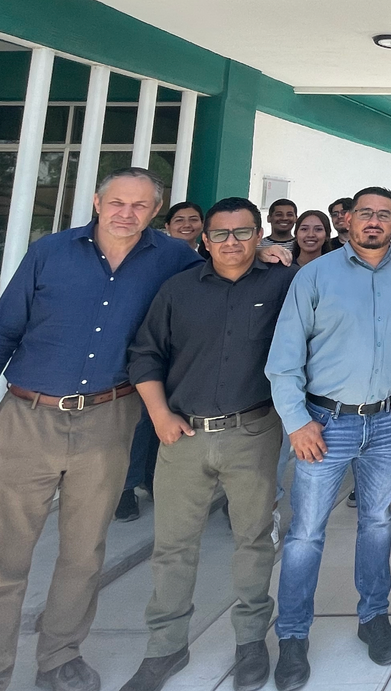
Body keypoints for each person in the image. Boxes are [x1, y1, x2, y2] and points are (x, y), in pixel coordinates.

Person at [0, 168, 202, 691]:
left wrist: (271, 258)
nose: (125, 213)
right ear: (97, 201)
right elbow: (1, 330)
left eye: (138, 205)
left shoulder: (175, 259)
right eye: (116, 202)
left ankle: (59, 659)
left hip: (110, 420)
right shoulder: (51, 253)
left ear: (155, 211)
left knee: (83, 555)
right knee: (1, 561)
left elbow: (222, 283)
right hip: (28, 418)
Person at [121, 198, 295, 691]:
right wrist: (160, 416)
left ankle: (249, 641)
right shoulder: (177, 290)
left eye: (243, 233)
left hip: (254, 432)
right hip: (183, 435)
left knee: (254, 541)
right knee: (173, 545)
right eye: (220, 234)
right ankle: (165, 648)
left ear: (261, 236)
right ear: (204, 240)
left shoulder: (285, 285)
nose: (232, 243)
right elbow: (145, 355)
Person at [264, 186, 391, 690]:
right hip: (324, 423)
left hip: (386, 424)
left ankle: (373, 618)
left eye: (384, 215)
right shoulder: (315, 274)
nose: (375, 223)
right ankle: (293, 636)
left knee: (377, 523)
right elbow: (284, 358)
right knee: (305, 535)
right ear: (349, 220)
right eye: (366, 215)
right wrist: (297, 421)